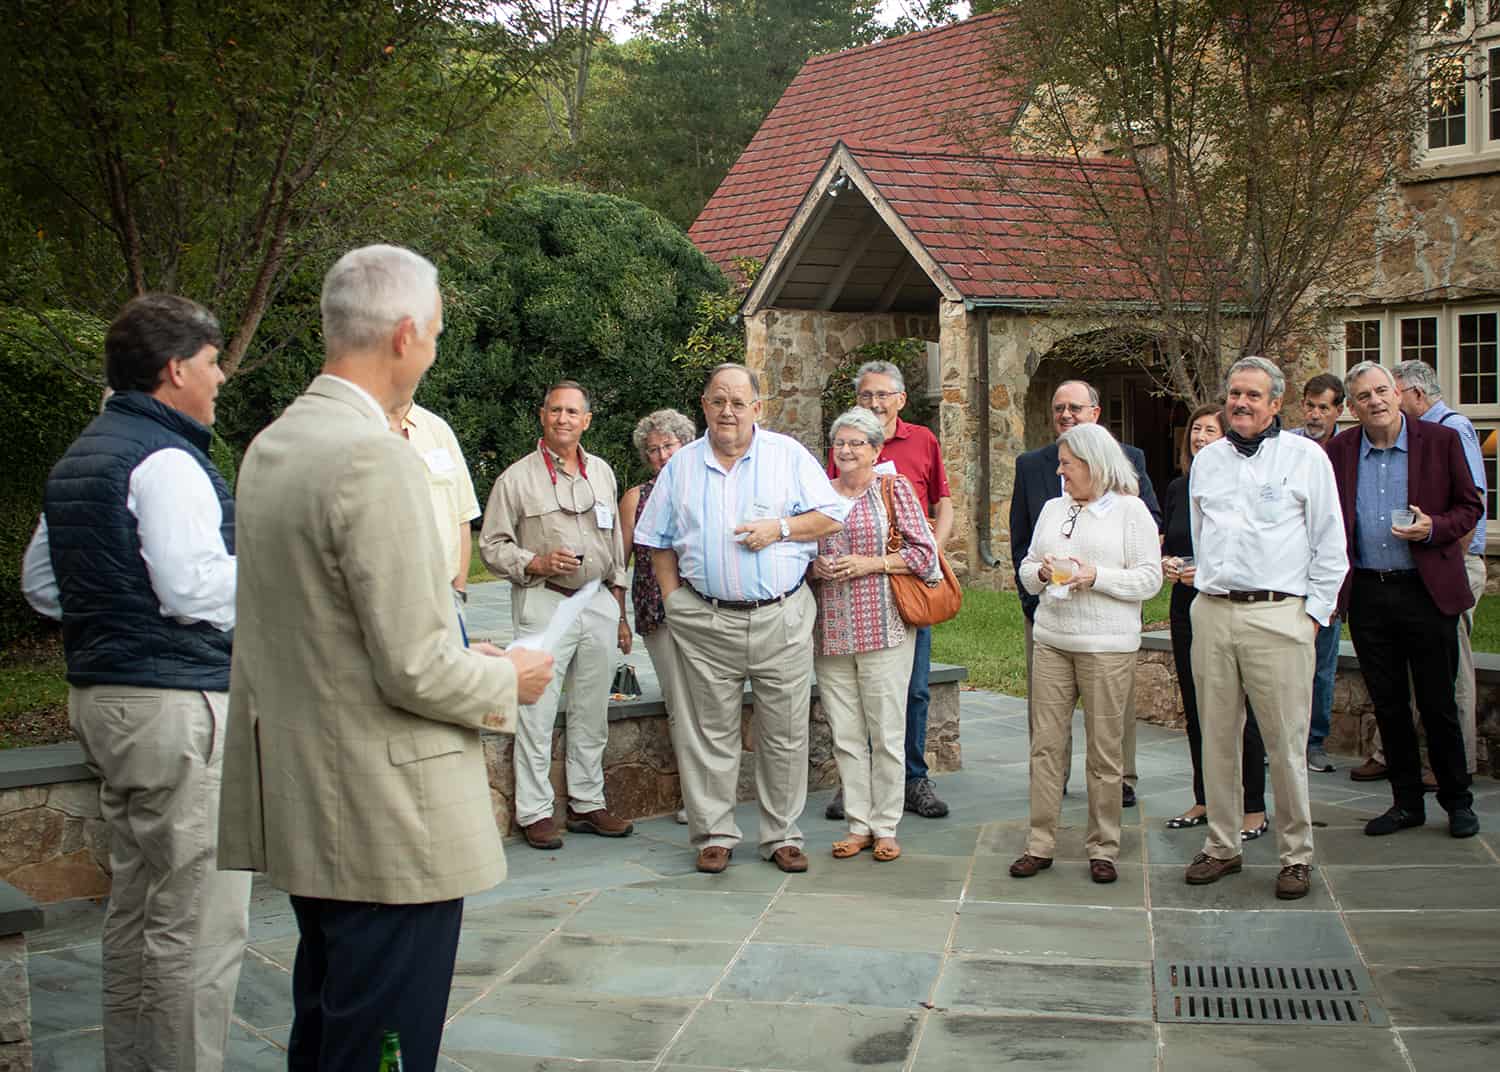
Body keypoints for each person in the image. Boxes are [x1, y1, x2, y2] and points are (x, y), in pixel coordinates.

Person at [217, 245, 554, 1072]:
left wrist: (447, 639)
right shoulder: (376, 457)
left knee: (329, 1022)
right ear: (406, 334)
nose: (434, 352)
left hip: (308, 796)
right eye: (435, 334)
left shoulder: (274, 444)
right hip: (383, 817)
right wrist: (506, 676)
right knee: (384, 1045)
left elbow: (322, 626)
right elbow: (413, 670)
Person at [20, 294, 252, 1071]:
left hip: (102, 699)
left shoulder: (83, 453)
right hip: (176, 705)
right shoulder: (165, 459)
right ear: (175, 368)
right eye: (214, 361)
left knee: (135, 905)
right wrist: (280, 582)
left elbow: (43, 586)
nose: (221, 376)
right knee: (197, 921)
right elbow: (192, 590)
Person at [634, 363, 848, 875]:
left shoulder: (787, 456)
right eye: (717, 401)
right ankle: (714, 833)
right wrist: (675, 601)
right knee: (710, 731)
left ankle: (781, 835)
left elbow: (831, 515)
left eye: (738, 402)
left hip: (782, 616)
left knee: (787, 731)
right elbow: (656, 541)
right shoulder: (681, 466)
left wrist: (779, 528)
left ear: (758, 407)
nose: (727, 411)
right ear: (703, 406)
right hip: (705, 620)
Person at [1184, 356, 1346, 901]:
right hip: (1214, 611)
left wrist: (1312, 616)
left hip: (1280, 615)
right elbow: (1202, 535)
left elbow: (1331, 544)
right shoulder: (1207, 462)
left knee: (1284, 742)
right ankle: (1222, 845)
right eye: (1234, 393)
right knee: (1218, 736)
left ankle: (1295, 854)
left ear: (1276, 403)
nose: (1241, 403)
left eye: (1254, 395)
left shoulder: (1306, 459)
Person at [1327, 361, 1481, 840]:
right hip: (1370, 592)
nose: (1374, 401)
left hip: (1426, 589)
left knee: (1436, 703)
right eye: (1363, 396)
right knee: (1389, 705)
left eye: (1381, 391)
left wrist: (1433, 527)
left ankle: (1458, 802)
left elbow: (1471, 507)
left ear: (1397, 392)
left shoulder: (1439, 442)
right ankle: (1406, 803)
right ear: (1352, 407)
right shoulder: (1340, 450)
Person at [480, 381, 635, 850]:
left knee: (592, 710)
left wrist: (620, 609)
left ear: (587, 420)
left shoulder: (602, 472)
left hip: (598, 601)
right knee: (537, 709)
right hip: (545, 600)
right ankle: (534, 811)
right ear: (542, 416)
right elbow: (490, 547)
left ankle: (587, 803)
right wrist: (537, 563)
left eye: (573, 412)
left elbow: (615, 549)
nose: (564, 419)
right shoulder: (516, 479)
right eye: (556, 411)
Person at [1011, 423, 1162, 885]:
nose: (1060, 472)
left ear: (1095, 464)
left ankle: (1104, 846)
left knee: (1104, 751)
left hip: (1107, 646)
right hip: (1053, 639)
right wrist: (1041, 574)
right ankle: (1040, 843)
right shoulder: (1055, 508)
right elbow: (1027, 566)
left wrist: (1095, 576)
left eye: (1067, 464)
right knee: (1045, 747)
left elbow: (1149, 580)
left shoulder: (1131, 511)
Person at [824, 360, 955, 823]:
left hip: (904, 589)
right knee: (853, 703)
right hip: (847, 604)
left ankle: (912, 781)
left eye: (883, 396)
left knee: (913, 690)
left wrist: (927, 560)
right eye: (866, 396)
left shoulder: (922, 441)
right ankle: (856, 789)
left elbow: (944, 504)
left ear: (901, 399)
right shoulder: (844, 450)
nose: (875, 403)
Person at [812, 408, 941, 863]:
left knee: (886, 732)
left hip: (884, 627)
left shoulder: (894, 488)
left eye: (856, 443)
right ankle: (857, 824)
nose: (846, 451)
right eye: (840, 443)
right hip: (830, 631)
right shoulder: (818, 495)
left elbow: (925, 554)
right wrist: (815, 565)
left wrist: (872, 564)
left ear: (875, 449)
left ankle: (886, 826)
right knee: (846, 735)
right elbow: (798, 553)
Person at [1161, 404, 1269, 840]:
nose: (1200, 437)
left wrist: (1202, 569)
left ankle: (1254, 809)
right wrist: (1166, 561)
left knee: (1242, 711)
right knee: (1196, 707)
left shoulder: (1238, 485)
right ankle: (1205, 797)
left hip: (1231, 603)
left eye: (1210, 430)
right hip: (1186, 604)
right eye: (1196, 430)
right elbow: (1173, 539)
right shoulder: (1178, 487)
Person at [619, 407, 699, 825]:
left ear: (685, 445)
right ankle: (694, 796)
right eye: (653, 449)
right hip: (660, 613)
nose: (661, 455)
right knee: (680, 704)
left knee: (710, 703)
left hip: (710, 612)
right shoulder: (637, 498)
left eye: (669, 445)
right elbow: (621, 562)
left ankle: (710, 791)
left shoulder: (705, 488)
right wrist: (618, 617)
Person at [1292, 372, 1346, 774]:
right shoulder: (1289, 448)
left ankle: (1315, 741)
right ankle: (1282, 738)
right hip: (1288, 577)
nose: (1314, 414)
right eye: (1309, 406)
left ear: (1338, 410)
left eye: (1322, 407)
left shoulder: (1346, 451)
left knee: (1322, 666)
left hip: (1329, 575)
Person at [389, 399, 482, 611]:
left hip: (443, 597)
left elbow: (463, 514)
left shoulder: (438, 430)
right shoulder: (358, 429)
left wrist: (459, 592)